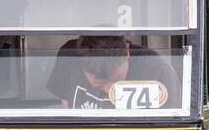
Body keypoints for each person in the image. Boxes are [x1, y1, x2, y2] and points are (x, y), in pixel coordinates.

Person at [46, 34, 180, 111]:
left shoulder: (157, 72)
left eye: (116, 81)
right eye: (99, 84)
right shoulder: (69, 57)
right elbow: (65, 106)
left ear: (127, 52)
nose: (109, 90)